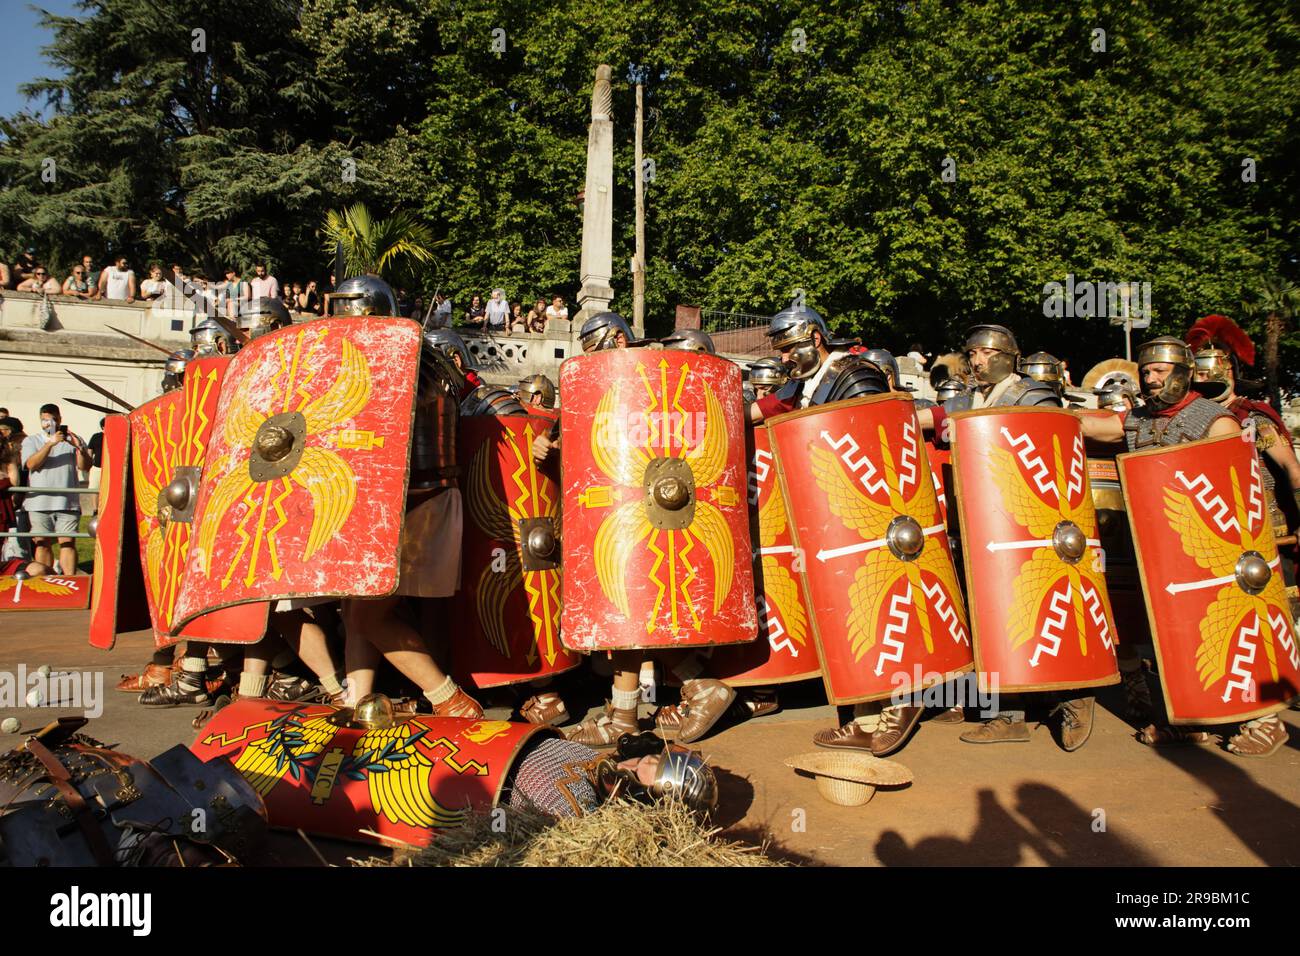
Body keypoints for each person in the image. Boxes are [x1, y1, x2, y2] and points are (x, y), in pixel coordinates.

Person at [1075, 336, 1285, 756]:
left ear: (1183, 374)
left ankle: (1265, 718)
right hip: (1165, 547)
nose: (1150, 380)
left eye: (1159, 372)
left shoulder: (1215, 421)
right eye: (1146, 372)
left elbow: (1234, 487)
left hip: (1217, 546)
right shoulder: (1138, 418)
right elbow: (1093, 425)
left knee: (1233, 627)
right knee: (1177, 636)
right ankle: (1194, 717)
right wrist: (1051, 414)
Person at [22, 404, 91, 576]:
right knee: (42, 543)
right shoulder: (31, 440)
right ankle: (44, 581)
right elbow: (31, 464)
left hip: (67, 501)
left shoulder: (73, 439)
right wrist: (50, 444)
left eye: (52, 419)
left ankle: (69, 581)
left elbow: (85, 466)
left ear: (60, 419)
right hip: (39, 502)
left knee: (67, 542)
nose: (48, 423)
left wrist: (79, 448)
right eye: (44, 420)